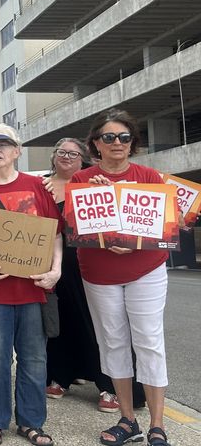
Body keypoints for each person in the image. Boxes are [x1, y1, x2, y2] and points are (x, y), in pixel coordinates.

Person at [72, 109, 173, 446]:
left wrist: (134, 244)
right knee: (113, 343)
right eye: (109, 137)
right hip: (99, 274)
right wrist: (98, 195)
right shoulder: (81, 180)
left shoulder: (150, 177)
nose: (117, 143)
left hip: (146, 269)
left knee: (149, 341)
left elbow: (165, 227)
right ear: (95, 145)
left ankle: (157, 424)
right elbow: (74, 227)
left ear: (133, 143)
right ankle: (127, 419)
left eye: (124, 137)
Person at [0, 124, 62, 446]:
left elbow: (56, 234)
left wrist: (56, 271)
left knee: (34, 358)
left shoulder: (38, 186)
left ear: (17, 151)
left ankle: (31, 422)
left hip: (34, 288)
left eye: (4, 145)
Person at [43, 138, 142, 414]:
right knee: (59, 321)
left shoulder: (92, 183)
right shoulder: (41, 185)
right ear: (53, 157)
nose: (66, 157)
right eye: (61, 152)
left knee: (98, 323)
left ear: (82, 159)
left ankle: (109, 385)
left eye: (73, 154)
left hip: (89, 261)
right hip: (51, 262)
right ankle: (60, 376)